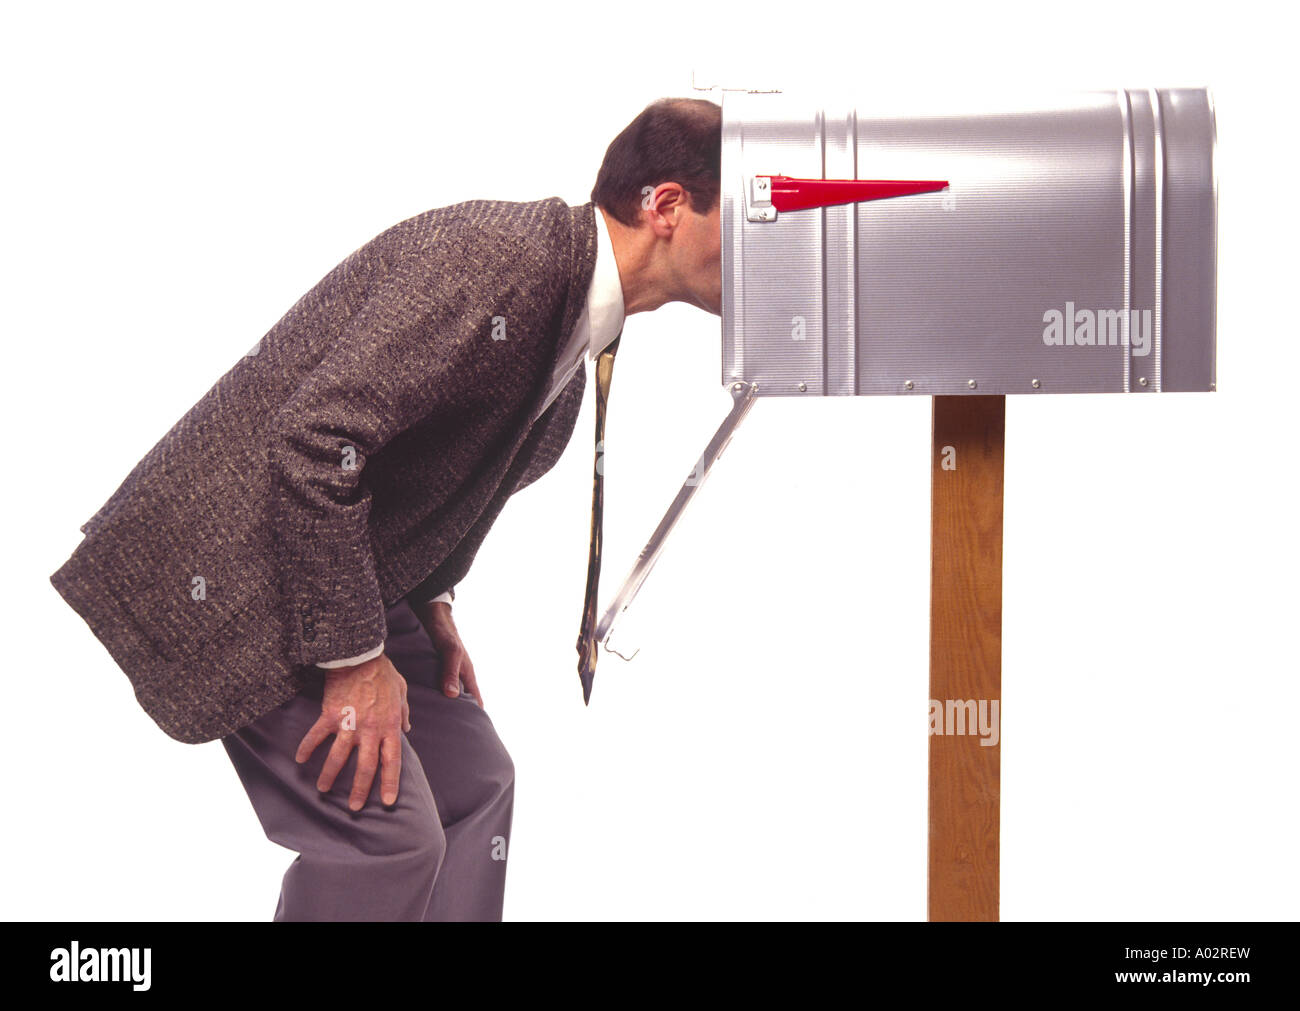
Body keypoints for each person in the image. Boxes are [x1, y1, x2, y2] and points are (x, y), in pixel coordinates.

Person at [49, 96, 722, 921]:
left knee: (477, 787)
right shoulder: (502, 260)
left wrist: (433, 600)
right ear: (665, 205)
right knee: (391, 839)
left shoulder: (576, 326)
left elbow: (448, 472)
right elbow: (315, 440)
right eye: (750, 219)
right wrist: (356, 660)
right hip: (240, 567)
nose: (770, 250)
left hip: (352, 564)